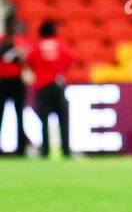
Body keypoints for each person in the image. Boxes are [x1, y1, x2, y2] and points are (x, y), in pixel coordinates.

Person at [26, 20, 76, 157]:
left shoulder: (37, 48)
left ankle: (45, 150)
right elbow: (70, 59)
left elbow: (30, 61)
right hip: (58, 85)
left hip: (42, 87)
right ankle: (66, 150)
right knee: (63, 119)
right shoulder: (61, 46)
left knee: (44, 121)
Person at [0, 16, 28, 156]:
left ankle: (21, 148)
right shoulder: (2, 40)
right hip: (2, 80)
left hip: (16, 81)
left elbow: (27, 58)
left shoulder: (20, 41)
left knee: (19, 115)